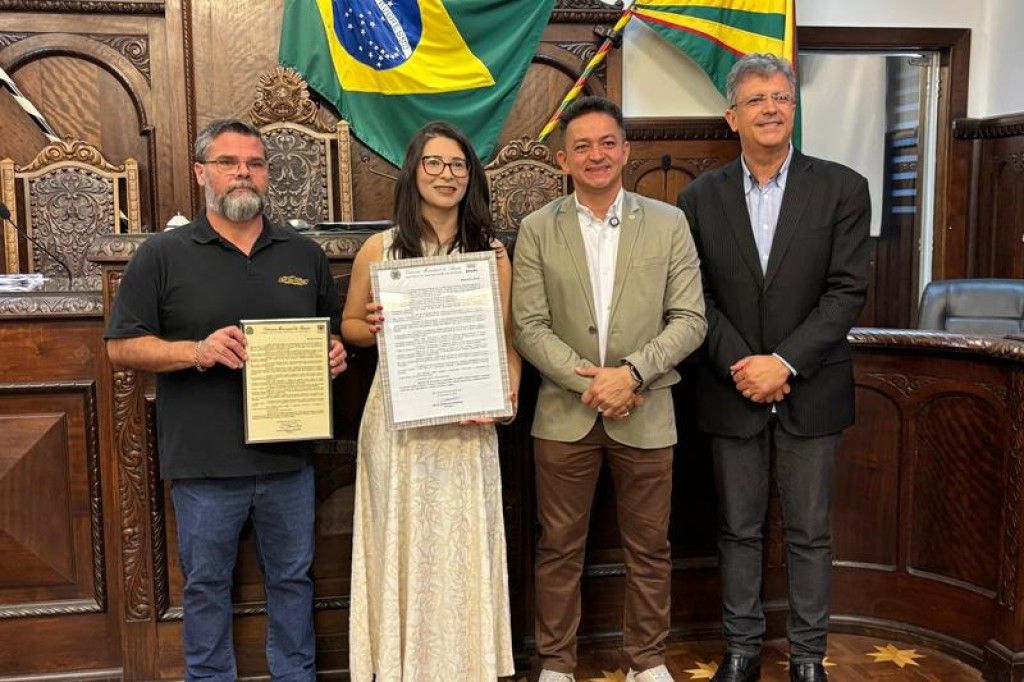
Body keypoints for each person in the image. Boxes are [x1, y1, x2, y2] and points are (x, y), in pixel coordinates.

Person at [105, 119, 348, 681]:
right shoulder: (162, 254)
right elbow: (121, 347)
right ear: (200, 173)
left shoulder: (302, 254)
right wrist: (197, 351)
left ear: (267, 175)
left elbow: (328, 333)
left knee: (293, 582)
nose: (243, 173)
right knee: (206, 586)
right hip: (204, 464)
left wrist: (333, 354)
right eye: (228, 162)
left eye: (254, 163)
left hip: (288, 459)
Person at [677, 54, 871, 682]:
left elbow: (846, 291)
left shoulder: (843, 188)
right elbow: (695, 296)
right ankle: (742, 649)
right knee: (737, 529)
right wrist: (745, 365)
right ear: (732, 117)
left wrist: (783, 363)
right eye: (756, 99)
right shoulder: (697, 198)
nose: (770, 108)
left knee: (810, 532)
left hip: (811, 388)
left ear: (794, 107)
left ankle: (808, 657)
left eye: (781, 97)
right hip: (731, 386)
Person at [512, 96, 707, 682]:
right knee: (557, 547)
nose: (595, 155)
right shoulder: (537, 229)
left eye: (606, 144)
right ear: (563, 160)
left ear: (625, 151)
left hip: (647, 410)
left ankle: (648, 661)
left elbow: (690, 319)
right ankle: (556, 664)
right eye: (582, 147)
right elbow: (528, 326)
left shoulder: (669, 223)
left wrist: (632, 374)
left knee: (650, 548)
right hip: (563, 415)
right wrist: (593, 383)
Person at [343, 121, 521, 681]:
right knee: (402, 537)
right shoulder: (380, 248)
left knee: (461, 542)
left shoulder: (491, 254)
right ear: (414, 172)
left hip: (467, 421)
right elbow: (350, 326)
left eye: (458, 164)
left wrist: (507, 397)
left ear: (471, 176)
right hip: (399, 421)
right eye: (435, 163)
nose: (447, 175)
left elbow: (507, 341)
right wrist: (371, 325)